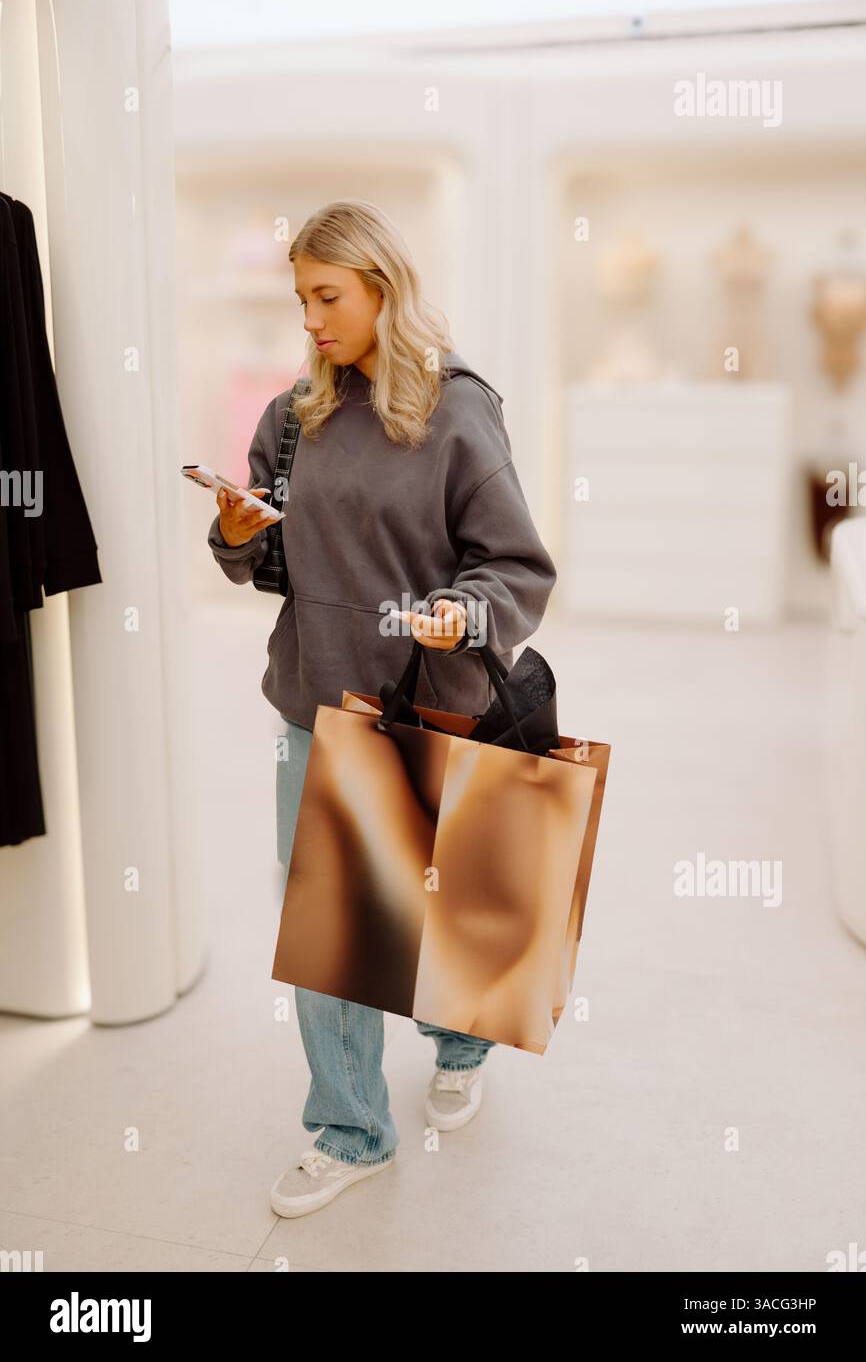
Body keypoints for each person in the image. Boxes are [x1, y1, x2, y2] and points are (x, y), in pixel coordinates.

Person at [207, 199, 556, 1218]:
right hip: (320, 697)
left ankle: (458, 1040)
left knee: (444, 902)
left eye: (327, 296)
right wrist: (239, 532)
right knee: (332, 929)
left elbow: (514, 565)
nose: (309, 318)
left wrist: (461, 608)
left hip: (432, 703)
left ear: (381, 289)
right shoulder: (293, 415)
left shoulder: (455, 410)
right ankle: (350, 1129)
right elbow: (268, 560)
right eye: (300, 298)